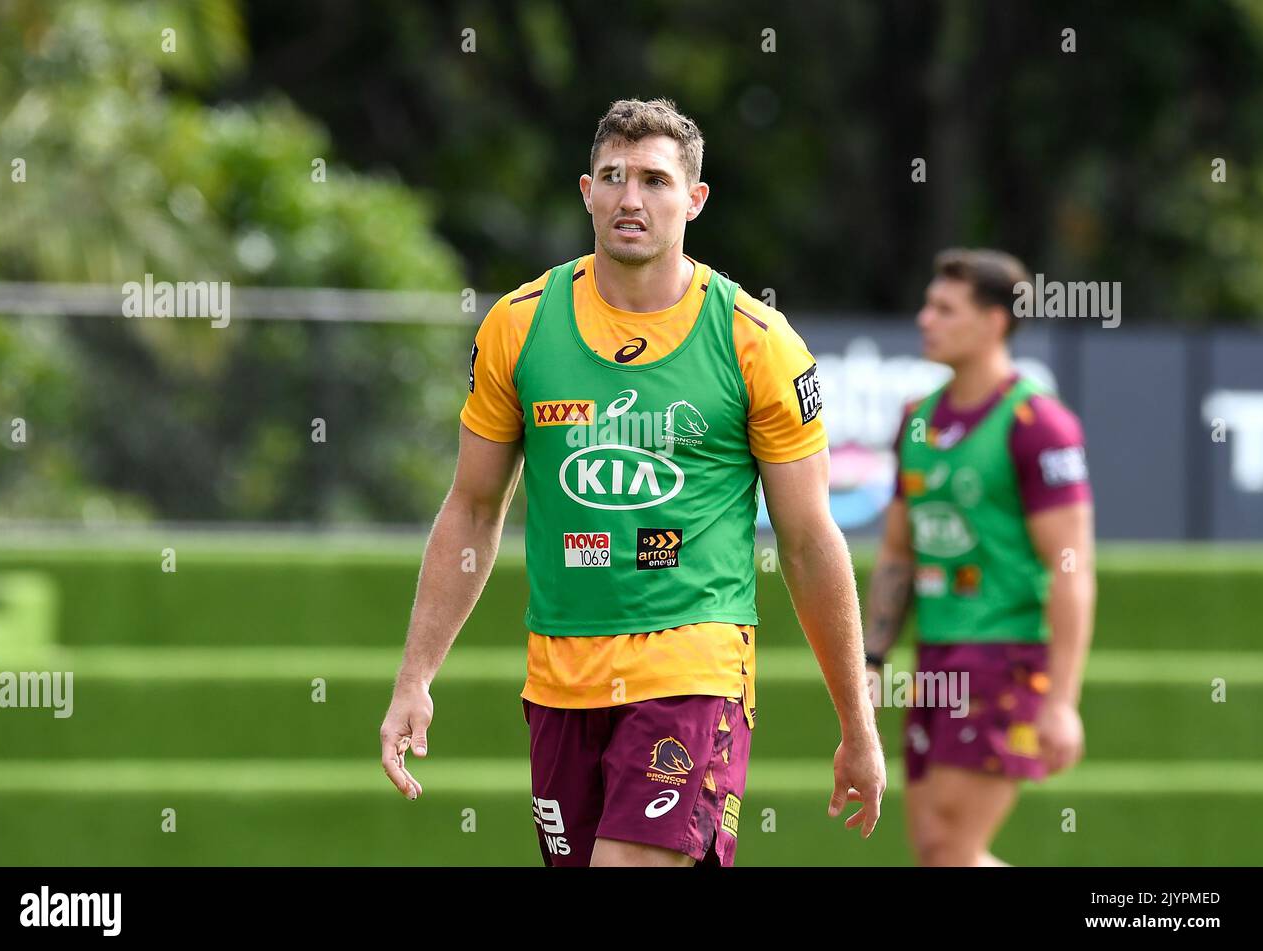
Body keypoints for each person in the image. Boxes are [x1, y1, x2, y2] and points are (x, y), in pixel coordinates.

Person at [380, 98, 884, 867]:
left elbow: (812, 541)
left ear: (694, 199)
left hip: (694, 664)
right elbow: (474, 508)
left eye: (654, 179)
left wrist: (858, 723)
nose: (630, 198)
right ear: (586, 192)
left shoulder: (755, 342)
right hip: (559, 677)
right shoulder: (519, 325)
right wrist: (414, 677)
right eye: (612, 177)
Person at [864, 248, 1095, 866]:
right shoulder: (916, 421)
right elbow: (897, 554)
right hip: (937, 658)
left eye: (945, 308)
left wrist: (1062, 703)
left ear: (995, 322)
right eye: (927, 304)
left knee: (949, 849)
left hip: (1006, 656)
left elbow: (1073, 569)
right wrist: (872, 657)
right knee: (938, 852)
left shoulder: (1037, 424)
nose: (924, 318)